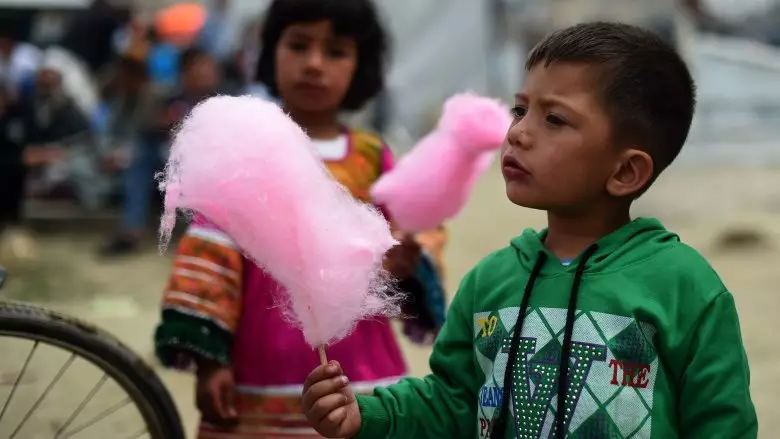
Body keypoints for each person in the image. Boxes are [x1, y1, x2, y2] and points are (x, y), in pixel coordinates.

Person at [301, 22, 758, 439]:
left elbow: (722, 425)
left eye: (554, 119)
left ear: (625, 172)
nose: (517, 133)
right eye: (520, 110)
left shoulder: (685, 287)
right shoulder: (490, 281)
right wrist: (366, 416)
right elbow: (452, 402)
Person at [153, 0, 448, 438]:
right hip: (260, 371)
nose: (313, 63)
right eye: (298, 44)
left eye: (335, 51)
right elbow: (210, 254)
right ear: (270, 52)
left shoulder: (374, 157)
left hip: (361, 377)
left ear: (360, 65)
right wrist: (210, 361)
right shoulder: (245, 150)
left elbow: (417, 235)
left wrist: (407, 262)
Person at [100, 47, 222, 256]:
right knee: (143, 156)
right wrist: (167, 126)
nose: (206, 72)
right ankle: (132, 230)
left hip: (209, 167)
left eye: (209, 67)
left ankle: (209, 235)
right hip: (171, 164)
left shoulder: (224, 101)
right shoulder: (170, 99)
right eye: (200, 67)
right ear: (185, 72)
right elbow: (149, 128)